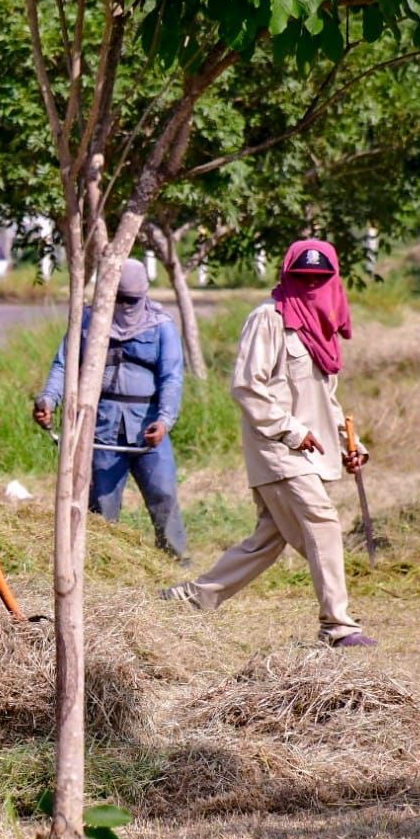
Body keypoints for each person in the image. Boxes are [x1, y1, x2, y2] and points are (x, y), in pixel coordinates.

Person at [162, 239, 375, 648]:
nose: (311, 285)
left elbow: (323, 400)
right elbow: (246, 387)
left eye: (320, 278)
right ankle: (338, 626)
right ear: (286, 275)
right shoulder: (268, 319)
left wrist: (351, 442)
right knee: (322, 522)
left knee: (267, 541)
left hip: (308, 451)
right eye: (302, 277)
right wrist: (290, 430)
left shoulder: (321, 327)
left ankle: (189, 599)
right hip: (276, 447)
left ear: (333, 279)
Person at [32, 258, 189, 562]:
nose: (125, 306)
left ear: (143, 295)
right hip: (100, 425)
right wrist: (49, 400)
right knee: (102, 506)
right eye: (119, 299)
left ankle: (175, 563)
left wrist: (165, 420)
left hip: (148, 428)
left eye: (132, 301)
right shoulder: (88, 322)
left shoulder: (161, 326)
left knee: (164, 496)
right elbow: (64, 365)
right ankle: (103, 565)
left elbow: (172, 377)